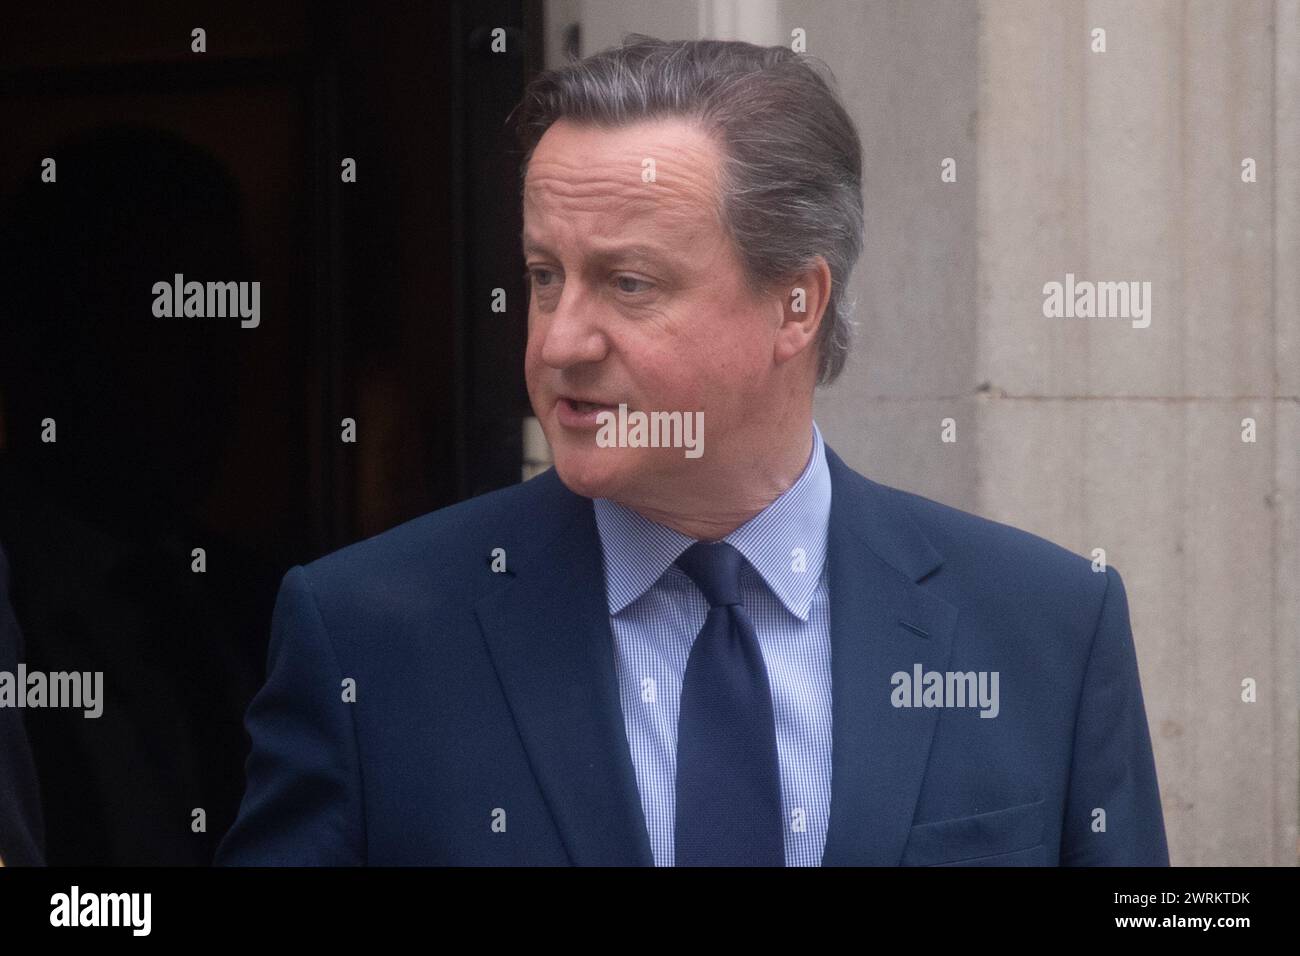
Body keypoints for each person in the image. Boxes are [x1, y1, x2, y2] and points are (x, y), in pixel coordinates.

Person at [217, 35, 1168, 866]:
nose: (559, 342)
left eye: (628, 283)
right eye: (545, 276)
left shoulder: (1046, 628)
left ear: (797, 304)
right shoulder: (369, 637)